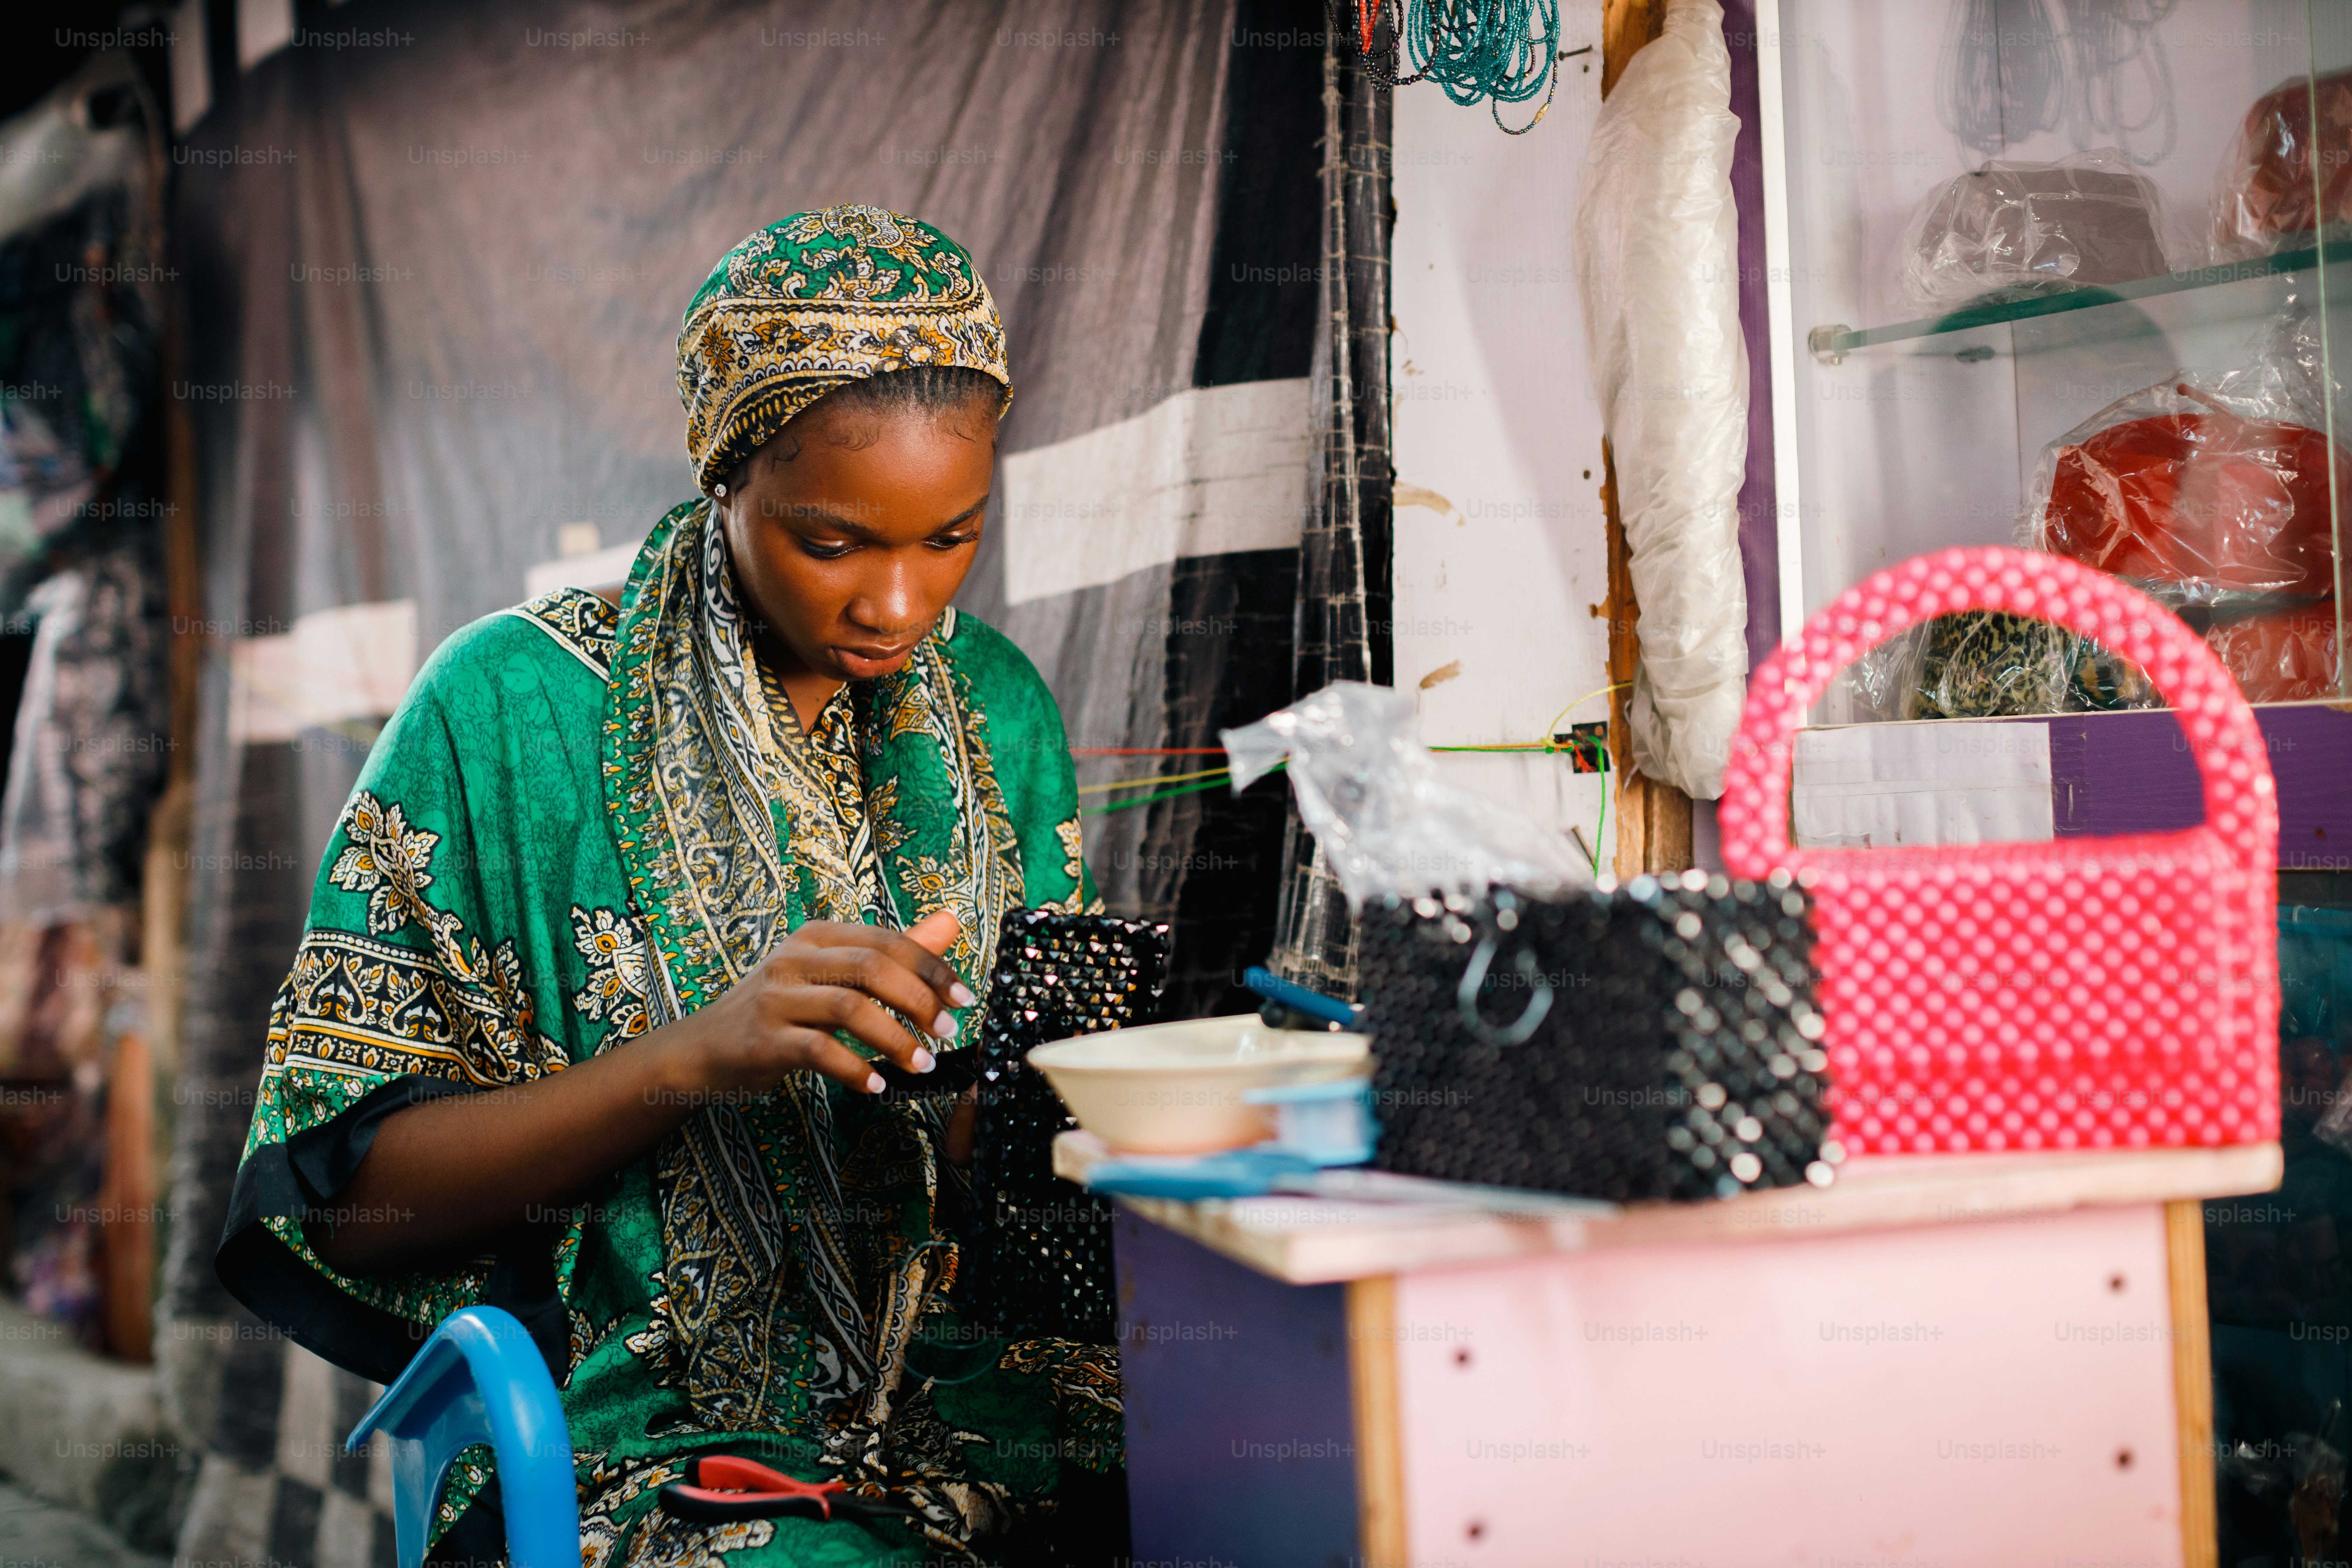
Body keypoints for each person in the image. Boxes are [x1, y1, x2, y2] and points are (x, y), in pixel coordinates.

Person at [218, 206, 1121, 1566]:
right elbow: (354, 1197)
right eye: (832, 542)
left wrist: (999, 1121)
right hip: (643, 1443)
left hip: (983, 1400)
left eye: (951, 537)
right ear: (726, 475)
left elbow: (1038, 1160)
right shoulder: (508, 708)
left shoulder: (998, 709)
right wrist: (698, 1055)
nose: (898, 603)